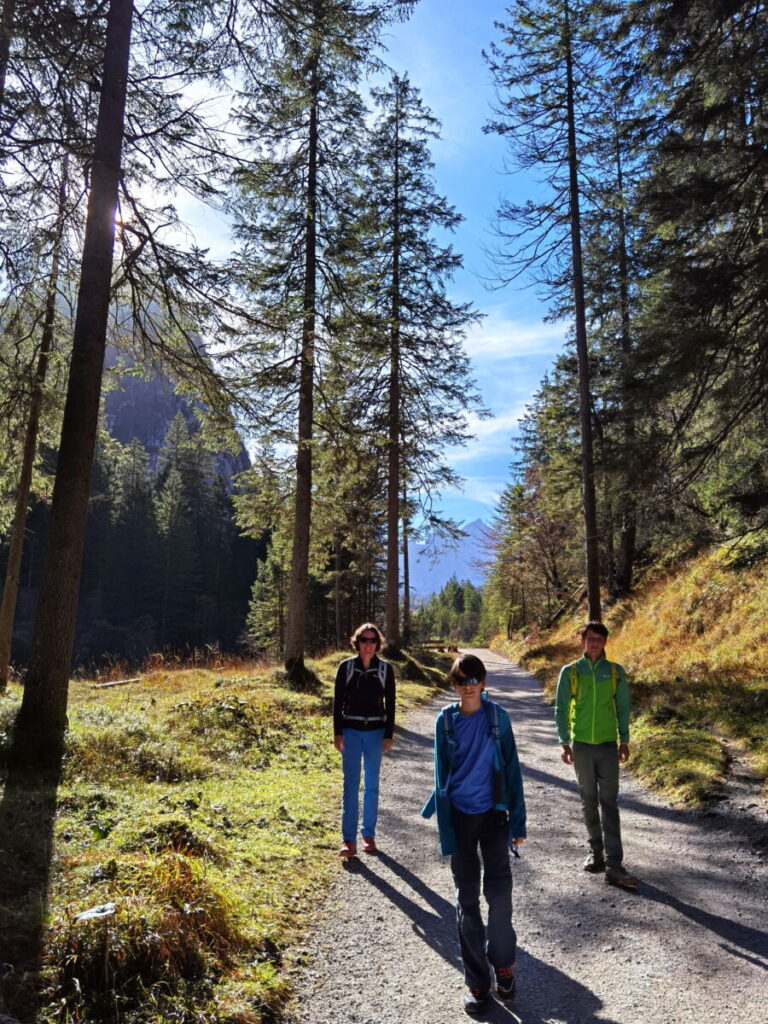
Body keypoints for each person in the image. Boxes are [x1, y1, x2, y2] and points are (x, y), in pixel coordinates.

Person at [421, 653, 526, 1015]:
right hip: (461, 819)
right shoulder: (445, 722)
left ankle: (503, 965)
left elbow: (512, 772)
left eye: (475, 678)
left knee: (500, 896)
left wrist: (519, 824)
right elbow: (440, 776)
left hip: (494, 816)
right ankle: (477, 983)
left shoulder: (498, 718)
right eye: (462, 680)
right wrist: (445, 831)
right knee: (466, 901)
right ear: (454, 684)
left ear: (484, 682)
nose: (468, 685)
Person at [554, 620, 639, 890]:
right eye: (590, 639)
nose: (594, 643)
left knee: (609, 803)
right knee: (588, 801)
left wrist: (624, 740)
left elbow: (623, 706)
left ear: (604, 643)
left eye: (599, 639)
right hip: (581, 746)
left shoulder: (614, 672)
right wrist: (563, 741)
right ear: (583, 641)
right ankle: (596, 853)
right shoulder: (571, 672)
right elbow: (561, 707)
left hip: (606, 746)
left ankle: (615, 864)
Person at [333, 623, 395, 858]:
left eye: (372, 641)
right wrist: (337, 733)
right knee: (350, 785)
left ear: (378, 644)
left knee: (372, 785)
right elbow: (337, 702)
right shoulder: (346, 667)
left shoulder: (385, 670)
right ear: (357, 642)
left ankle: (368, 834)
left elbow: (391, 703)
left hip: (376, 733)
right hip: (350, 732)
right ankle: (348, 841)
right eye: (364, 640)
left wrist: (388, 734)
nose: (368, 645)